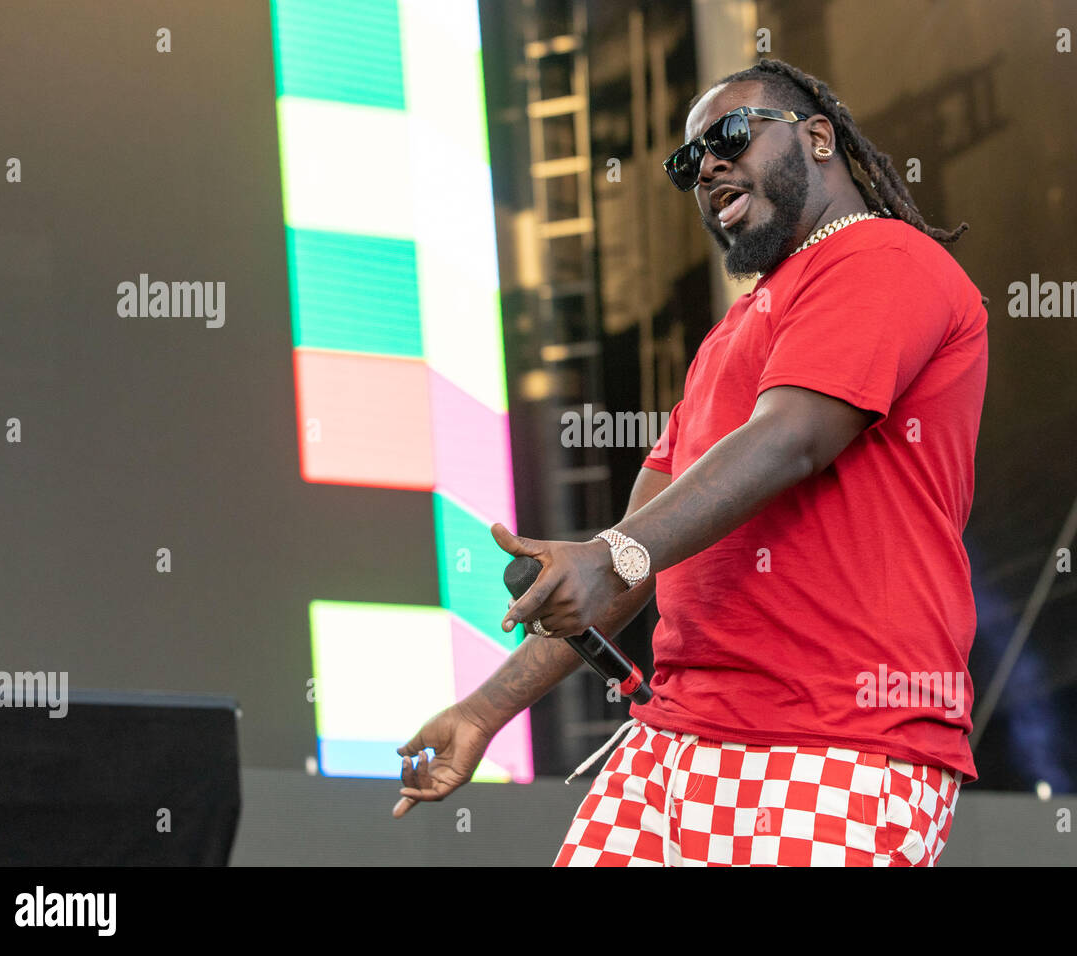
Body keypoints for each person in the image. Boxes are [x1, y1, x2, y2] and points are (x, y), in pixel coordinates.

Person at [393, 57, 988, 867]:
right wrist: (486, 709)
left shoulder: (887, 259)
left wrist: (612, 554)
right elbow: (637, 557)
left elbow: (793, 439)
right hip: (674, 743)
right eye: (687, 162)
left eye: (730, 136)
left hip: (834, 745)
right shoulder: (732, 336)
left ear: (817, 138)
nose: (706, 165)